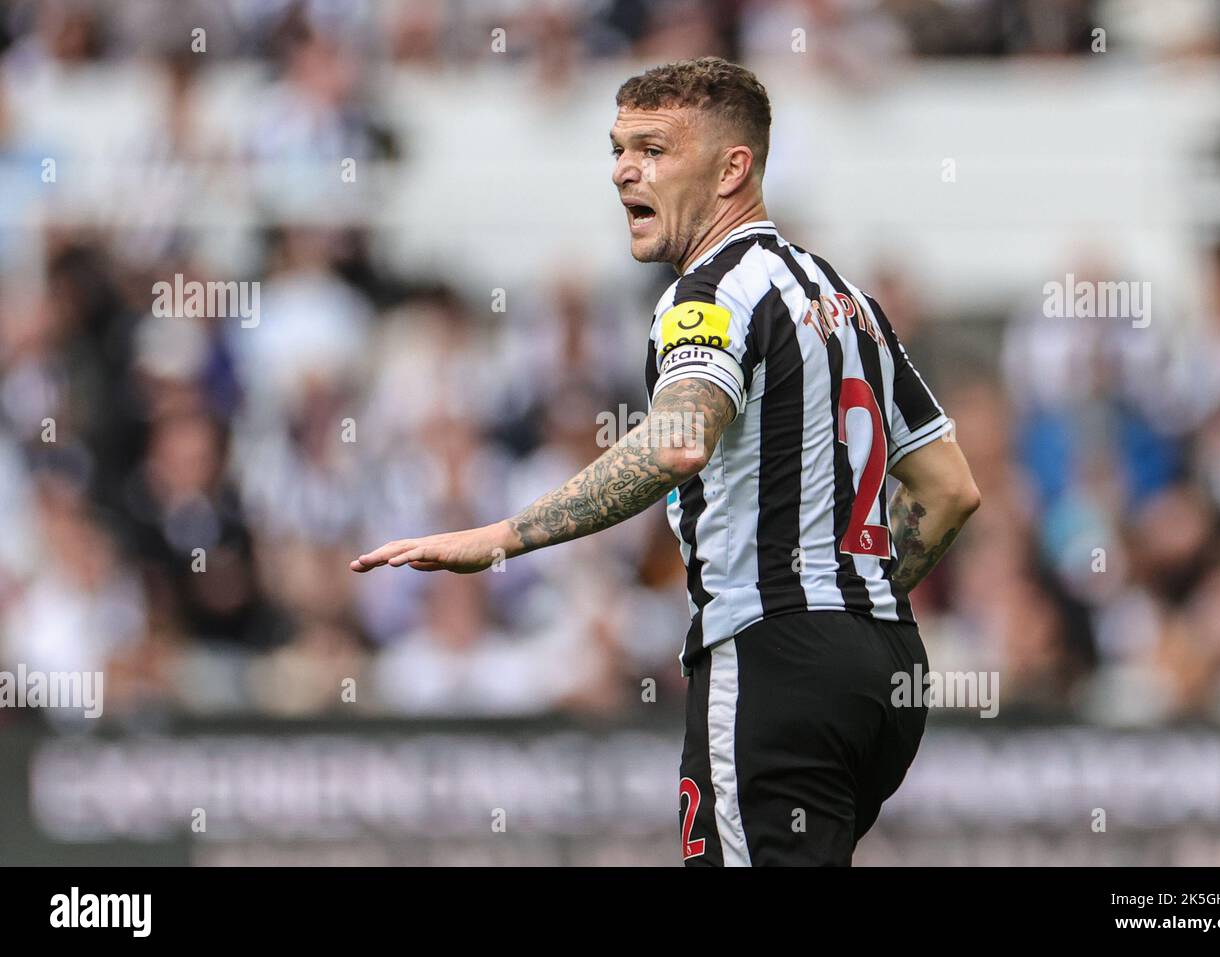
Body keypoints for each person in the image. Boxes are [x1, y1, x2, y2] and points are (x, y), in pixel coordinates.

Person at [352, 57, 980, 866]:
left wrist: (503, 535)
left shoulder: (708, 294)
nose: (622, 172)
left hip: (770, 654)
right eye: (617, 148)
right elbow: (950, 488)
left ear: (732, 169)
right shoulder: (844, 298)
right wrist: (845, 609)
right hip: (882, 665)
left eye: (652, 149)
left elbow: (680, 437)